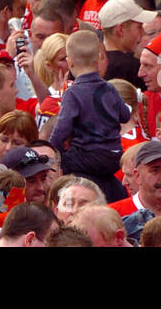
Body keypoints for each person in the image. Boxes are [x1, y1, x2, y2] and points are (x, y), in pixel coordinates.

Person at [47, 28, 128, 202]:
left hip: (87, 155)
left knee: (63, 164)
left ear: (70, 62)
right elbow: (125, 116)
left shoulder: (73, 93)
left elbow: (61, 130)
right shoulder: (110, 88)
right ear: (99, 58)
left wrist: (51, 153)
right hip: (114, 156)